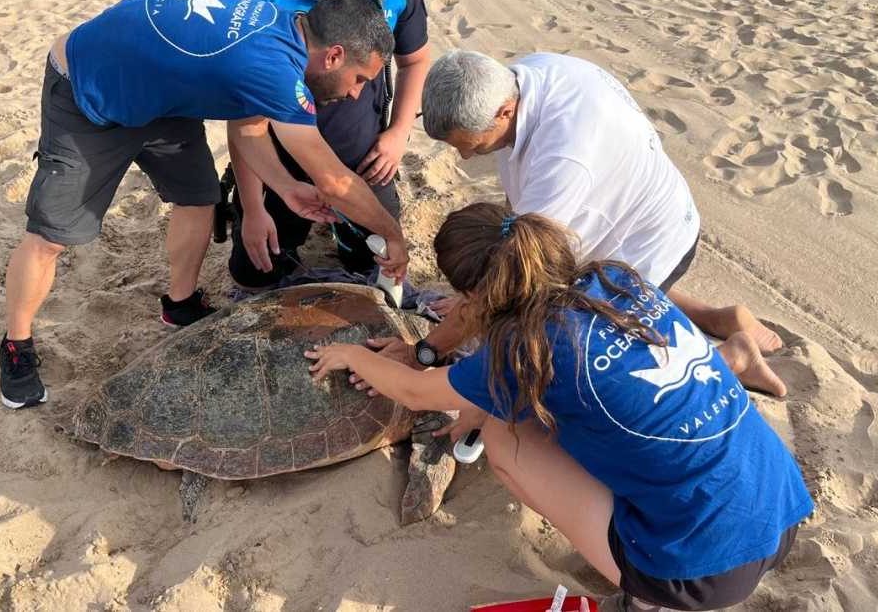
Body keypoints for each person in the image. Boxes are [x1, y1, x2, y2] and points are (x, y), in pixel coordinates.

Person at [305, 203, 814, 612]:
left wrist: (347, 353)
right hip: (782, 512)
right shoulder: (618, 279)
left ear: (475, 296)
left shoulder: (524, 349)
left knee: (505, 437)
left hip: (701, 575)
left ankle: (644, 600)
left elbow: (415, 392)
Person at [0, 0, 409, 409]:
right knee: (52, 236)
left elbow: (249, 129)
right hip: (88, 92)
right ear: (334, 55)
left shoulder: (285, 30)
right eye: (360, 79)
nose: (358, 94)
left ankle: (180, 304)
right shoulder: (272, 67)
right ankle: (16, 345)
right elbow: (335, 181)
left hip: (162, 97)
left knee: (199, 198)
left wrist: (284, 188)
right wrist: (392, 235)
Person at [373, 50, 786, 398]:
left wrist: (426, 350)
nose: (463, 157)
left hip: (655, 238)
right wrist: (467, 309)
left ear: (504, 111)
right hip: (622, 220)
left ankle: (731, 359)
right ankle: (718, 317)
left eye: (469, 144)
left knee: (591, 374)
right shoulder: (523, 76)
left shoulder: (563, 159)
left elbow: (511, 280)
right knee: (585, 280)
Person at [225, 0, 429, 287]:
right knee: (255, 272)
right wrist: (251, 207)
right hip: (279, 166)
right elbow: (244, 120)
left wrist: (400, 131)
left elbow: (415, 59)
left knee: (373, 264)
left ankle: (345, 232)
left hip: (363, 161)